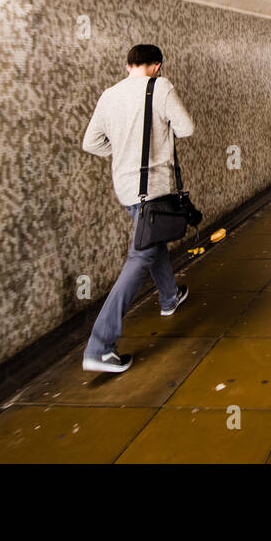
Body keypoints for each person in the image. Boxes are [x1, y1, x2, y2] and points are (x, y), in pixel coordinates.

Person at [80, 44, 195, 373]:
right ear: (156, 66)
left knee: (150, 240)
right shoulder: (161, 86)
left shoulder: (109, 94)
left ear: (128, 64)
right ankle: (100, 345)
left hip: (126, 189)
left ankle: (170, 297)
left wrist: (123, 153)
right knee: (141, 255)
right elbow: (187, 128)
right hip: (154, 189)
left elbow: (92, 142)